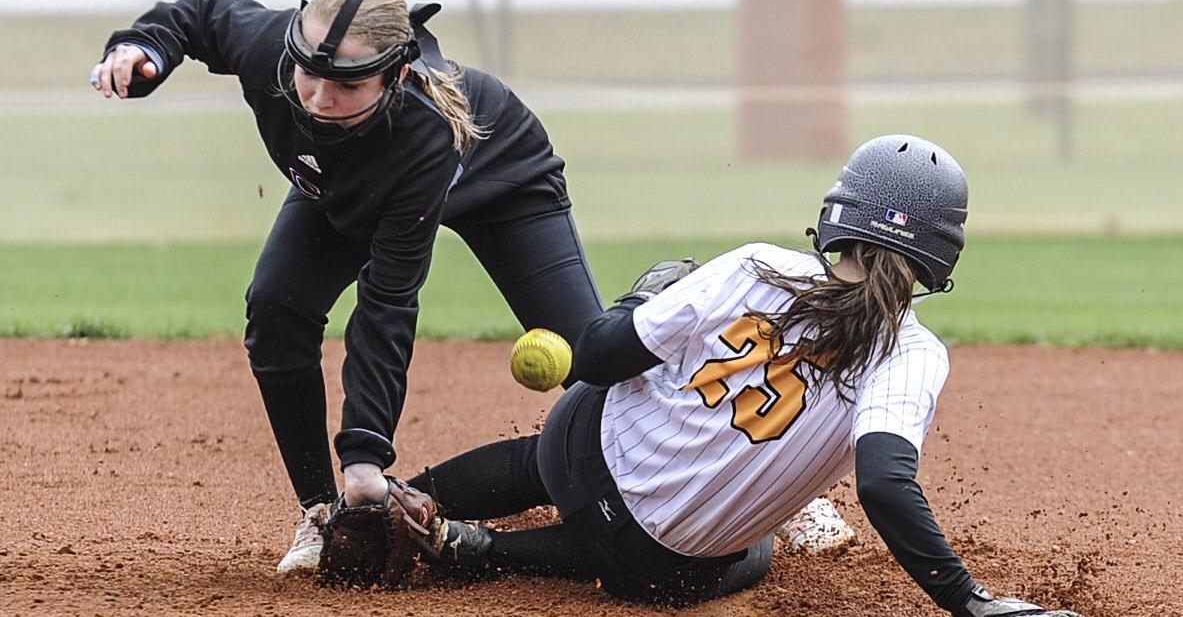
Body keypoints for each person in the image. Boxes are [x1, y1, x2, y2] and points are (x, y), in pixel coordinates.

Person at [377, 135, 1081, 616]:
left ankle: (396, 499)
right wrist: (965, 598)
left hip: (578, 450)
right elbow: (883, 485)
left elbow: (594, 358)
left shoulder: (754, 265)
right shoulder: (913, 351)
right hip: (652, 566)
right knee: (746, 548)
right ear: (941, 254)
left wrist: (639, 301)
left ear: (837, 212)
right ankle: (489, 550)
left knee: (547, 455)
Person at [91, 0, 604, 574]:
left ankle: (640, 486)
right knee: (276, 307)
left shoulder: (425, 128)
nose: (318, 98)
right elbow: (205, 12)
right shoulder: (272, 52)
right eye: (309, 73)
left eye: (348, 85)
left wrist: (363, 456)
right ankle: (317, 513)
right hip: (348, 183)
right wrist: (144, 45)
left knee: (592, 357)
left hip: (502, 180)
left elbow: (386, 303)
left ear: (396, 74)